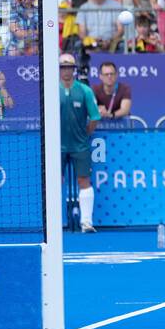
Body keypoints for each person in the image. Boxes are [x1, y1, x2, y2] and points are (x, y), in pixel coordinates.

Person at [59, 51, 100, 233]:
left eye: (69, 66)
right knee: (54, 182)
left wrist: (85, 134)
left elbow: (95, 117)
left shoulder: (85, 91)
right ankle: (55, 222)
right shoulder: (50, 89)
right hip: (55, 146)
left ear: (74, 69)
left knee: (84, 181)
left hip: (80, 145)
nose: (66, 70)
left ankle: (86, 222)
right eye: (62, 67)